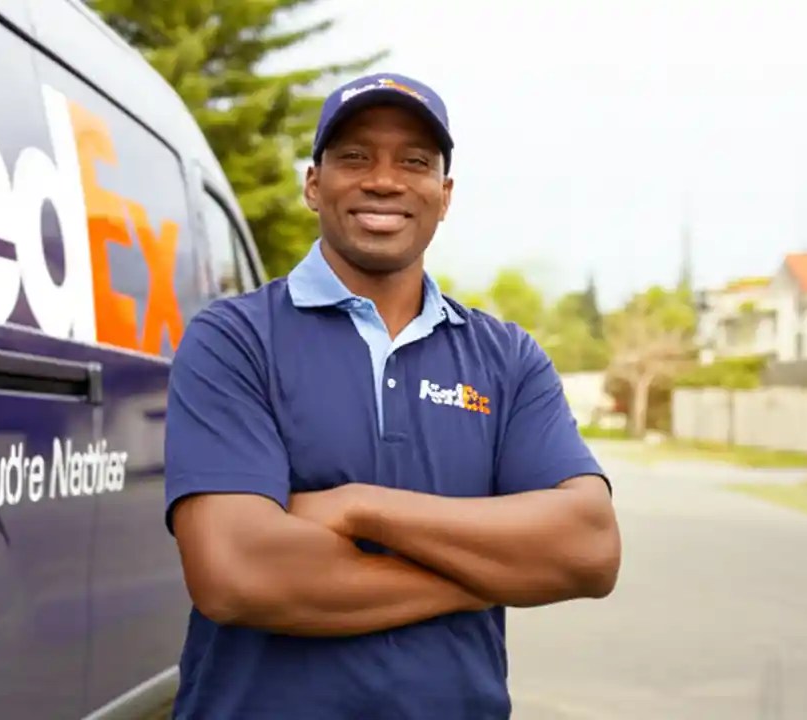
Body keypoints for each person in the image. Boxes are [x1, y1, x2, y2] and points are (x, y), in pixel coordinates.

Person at [162, 71, 621, 719]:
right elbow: (237, 574)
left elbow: (590, 549)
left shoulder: (507, 358)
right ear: (313, 183)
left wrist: (359, 508)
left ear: (444, 194)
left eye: (414, 162)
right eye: (355, 157)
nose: (384, 180)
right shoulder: (235, 339)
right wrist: (490, 575)